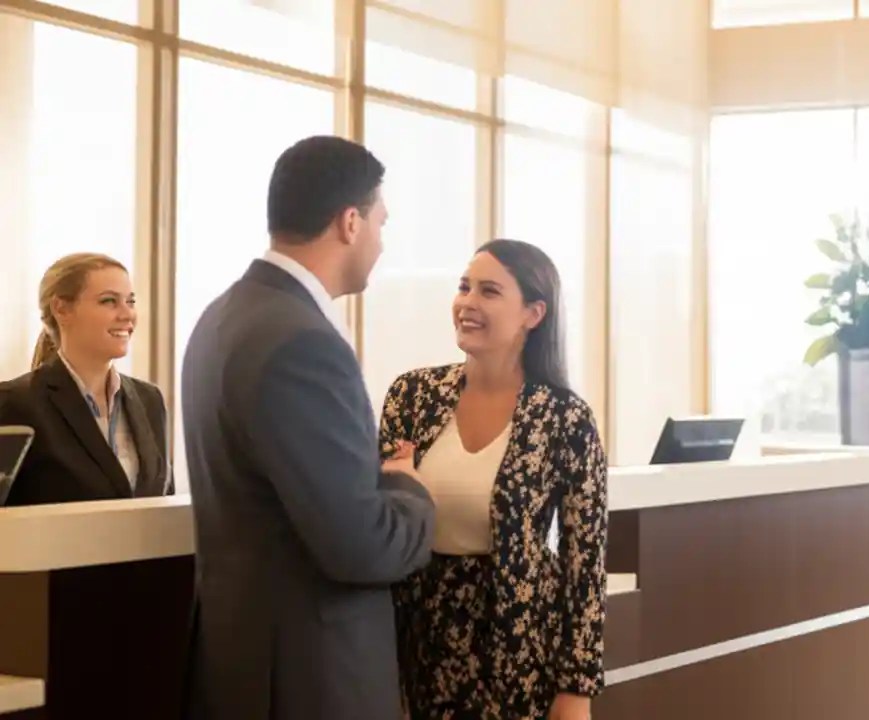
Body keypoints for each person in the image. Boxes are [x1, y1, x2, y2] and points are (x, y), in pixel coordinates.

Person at [182, 135, 436, 720]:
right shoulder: (303, 342)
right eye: (380, 222)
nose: (380, 241)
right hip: (310, 680)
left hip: (240, 665)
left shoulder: (221, 318)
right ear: (350, 222)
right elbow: (361, 547)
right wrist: (406, 487)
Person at [380, 239, 608, 720]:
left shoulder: (565, 417)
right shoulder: (411, 395)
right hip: (421, 644)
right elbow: (383, 529)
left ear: (533, 313)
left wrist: (577, 689)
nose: (468, 303)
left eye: (489, 291)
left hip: (521, 652)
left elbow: (584, 564)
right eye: (464, 287)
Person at [0, 253, 171, 505]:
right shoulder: (15, 403)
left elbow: (163, 508)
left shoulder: (149, 400)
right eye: (109, 301)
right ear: (61, 309)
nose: (127, 314)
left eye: (130, 301)